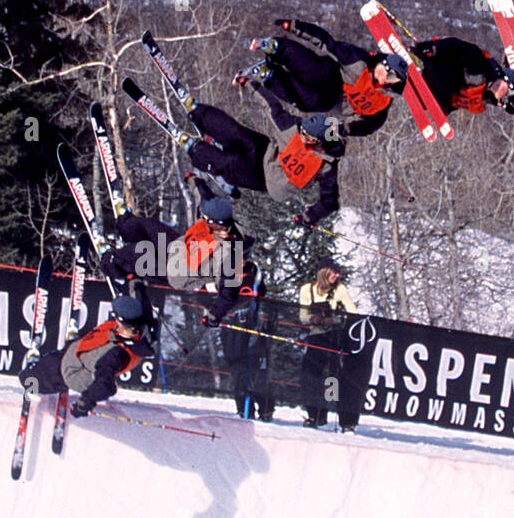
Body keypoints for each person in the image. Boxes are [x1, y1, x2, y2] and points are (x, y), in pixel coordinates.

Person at [181, 82, 345, 226]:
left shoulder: (327, 167)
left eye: (306, 137)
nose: (301, 136)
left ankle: (195, 149)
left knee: (231, 163)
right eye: (302, 131)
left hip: (267, 180)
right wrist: (251, 85)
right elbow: (273, 108)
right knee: (236, 132)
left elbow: (329, 201)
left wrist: (309, 217)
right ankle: (200, 112)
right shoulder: (294, 128)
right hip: (266, 152)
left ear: (319, 142)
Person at [100, 176, 253, 328]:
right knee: (143, 225)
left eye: (205, 219)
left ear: (215, 225)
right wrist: (194, 181)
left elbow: (229, 292)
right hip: (175, 247)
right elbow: (204, 195)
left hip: (174, 271)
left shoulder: (229, 256)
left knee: (135, 254)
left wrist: (213, 316)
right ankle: (123, 227)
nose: (202, 218)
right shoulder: (217, 216)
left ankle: (111, 264)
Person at [236, 19, 408, 139]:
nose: (384, 77)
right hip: (332, 78)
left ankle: (270, 75)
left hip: (331, 103)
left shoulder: (381, 106)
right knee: (316, 72)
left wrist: (342, 129)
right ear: (381, 62)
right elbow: (326, 42)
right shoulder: (358, 60)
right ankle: (278, 48)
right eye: (386, 71)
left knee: (308, 102)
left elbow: (365, 127)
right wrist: (295, 27)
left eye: (391, 78)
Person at [18, 296, 153, 417]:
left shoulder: (115, 354)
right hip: (75, 354)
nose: (114, 318)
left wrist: (85, 402)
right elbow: (140, 294)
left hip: (70, 373)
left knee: (27, 379)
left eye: (115, 316)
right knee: (51, 359)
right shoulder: (136, 326)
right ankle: (41, 363)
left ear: (121, 321)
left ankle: (33, 371)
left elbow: (105, 384)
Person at [299, 258, 360, 430]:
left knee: (332, 377)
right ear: (324, 272)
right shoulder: (307, 290)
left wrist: (333, 320)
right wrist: (313, 318)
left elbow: (352, 313)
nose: (337, 275)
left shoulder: (340, 290)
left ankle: (335, 411)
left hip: (335, 338)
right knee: (311, 376)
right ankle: (314, 414)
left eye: (338, 272)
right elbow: (302, 315)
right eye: (334, 271)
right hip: (316, 337)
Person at [407, 37, 514, 116]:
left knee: (442, 97)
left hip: (431, 89)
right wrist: (434, 48)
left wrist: (444, 110)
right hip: (433, 66)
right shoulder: (482, 66)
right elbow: (457, 46)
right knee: (469, 79)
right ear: (501, 78)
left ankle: (408, 78)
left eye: (504, 93)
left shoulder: (479, 102)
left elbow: (457, 100)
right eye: (502, 87)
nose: (499, 91)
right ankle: (418, 64)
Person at [219, 279, 276, 421]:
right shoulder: (229, 301)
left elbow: (269, 324)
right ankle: (245, 411)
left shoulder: (260, 303)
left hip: (257, 351)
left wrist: (264, 323)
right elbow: (224, 326)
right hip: (236, 349)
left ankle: (266, 411)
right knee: (240, 381)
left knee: (259, 381)